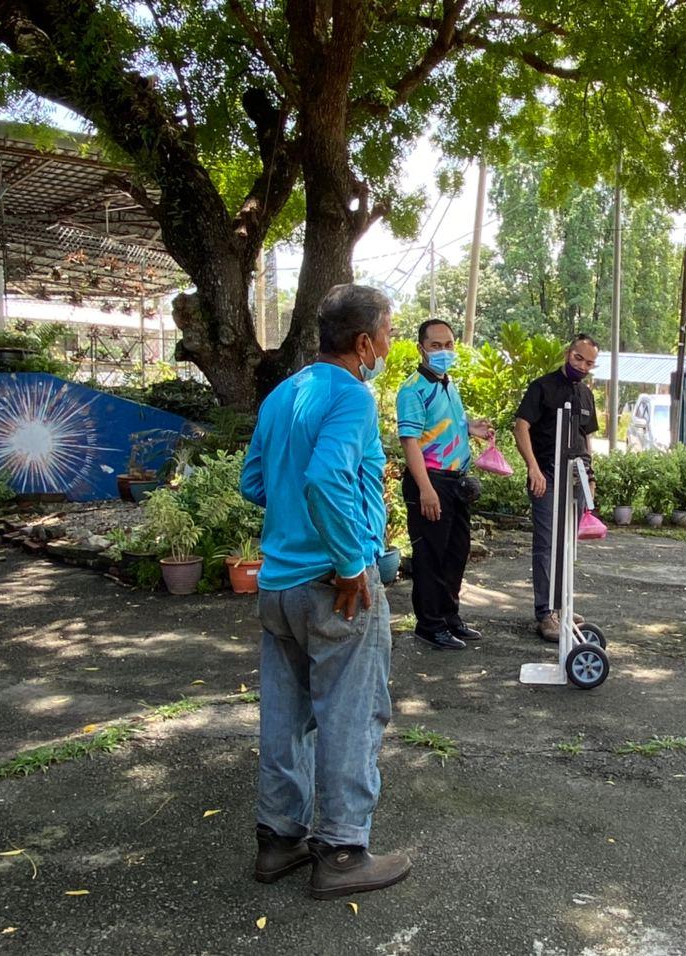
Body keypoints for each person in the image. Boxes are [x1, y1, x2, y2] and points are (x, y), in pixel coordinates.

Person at [240, 283, 411, 899]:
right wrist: (348, 565)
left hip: (278, 587)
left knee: (286, 716)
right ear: (364, 342)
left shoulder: (284, 394)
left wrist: (297, 521)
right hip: (333, 589)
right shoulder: (354, 398)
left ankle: (278, 841)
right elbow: (323, 479)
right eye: (388, 335)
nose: (389, 347)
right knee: (350, 715)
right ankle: (342, 851)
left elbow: (254, 482)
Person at [396, 318, 494, 650]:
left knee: (456, 553)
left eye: (448, 344)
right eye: (436, 345)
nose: (443, 351)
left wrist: (471, 428)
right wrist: (425, 489)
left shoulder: (448, 383)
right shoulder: (412, 389)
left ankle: (450, 618)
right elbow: (410, 441)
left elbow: (441, 425)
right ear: (420, 348)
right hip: (431, 481)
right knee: (430, 557)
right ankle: (430, 625)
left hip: (456, 482)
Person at [513, 334, 599, 642]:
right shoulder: (542, 387)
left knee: (567, 545)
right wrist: (533, 468)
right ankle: (545, 612)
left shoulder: (586, 394)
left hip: (575, 477)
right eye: (579, 359)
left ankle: (564, 605)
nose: (583, 366)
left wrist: (590, 476)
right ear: (568, 353)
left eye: (590, 363)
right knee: (547, 545)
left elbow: (586, 436)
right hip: (547, 476)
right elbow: (521, 426)